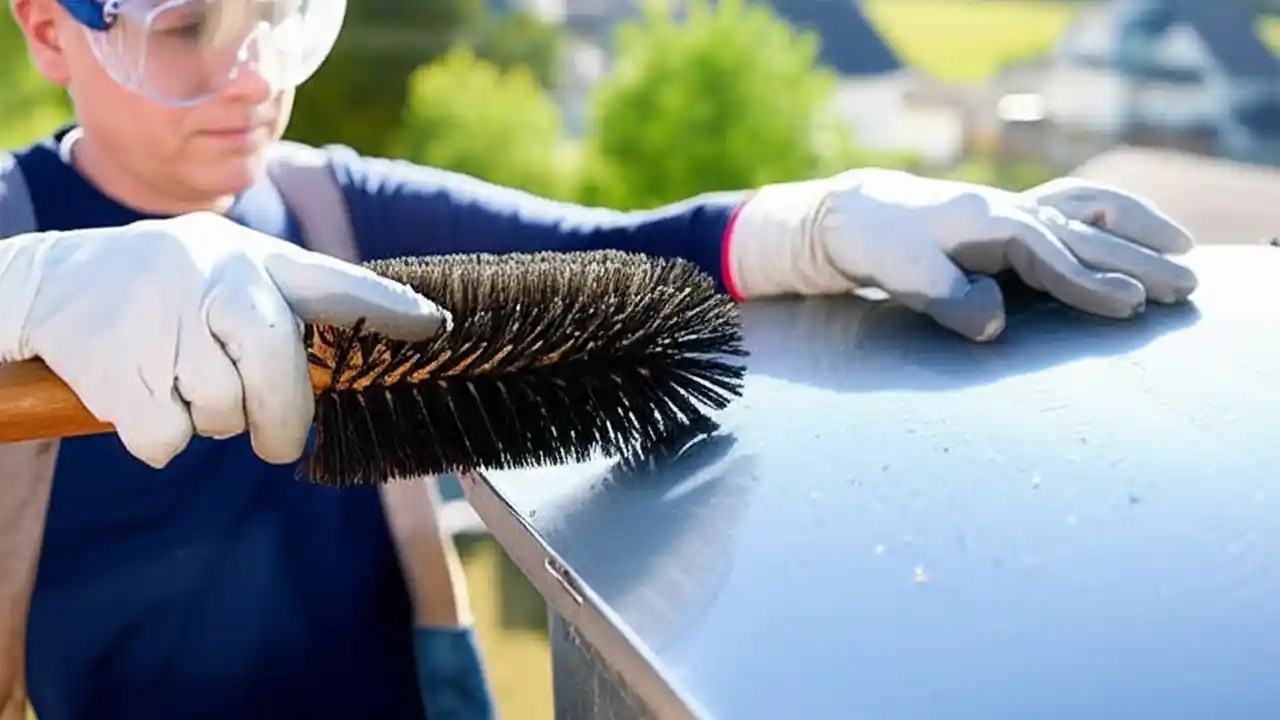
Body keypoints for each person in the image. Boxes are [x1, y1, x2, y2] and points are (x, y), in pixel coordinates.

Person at [0, 0, 1199, 717]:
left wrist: (818, 222)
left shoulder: (339, 212)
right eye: (187, 29)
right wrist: (34, 286)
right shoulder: (23, 250)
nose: (252, 74)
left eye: (279, 16)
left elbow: (628, 256)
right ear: (49, 30)